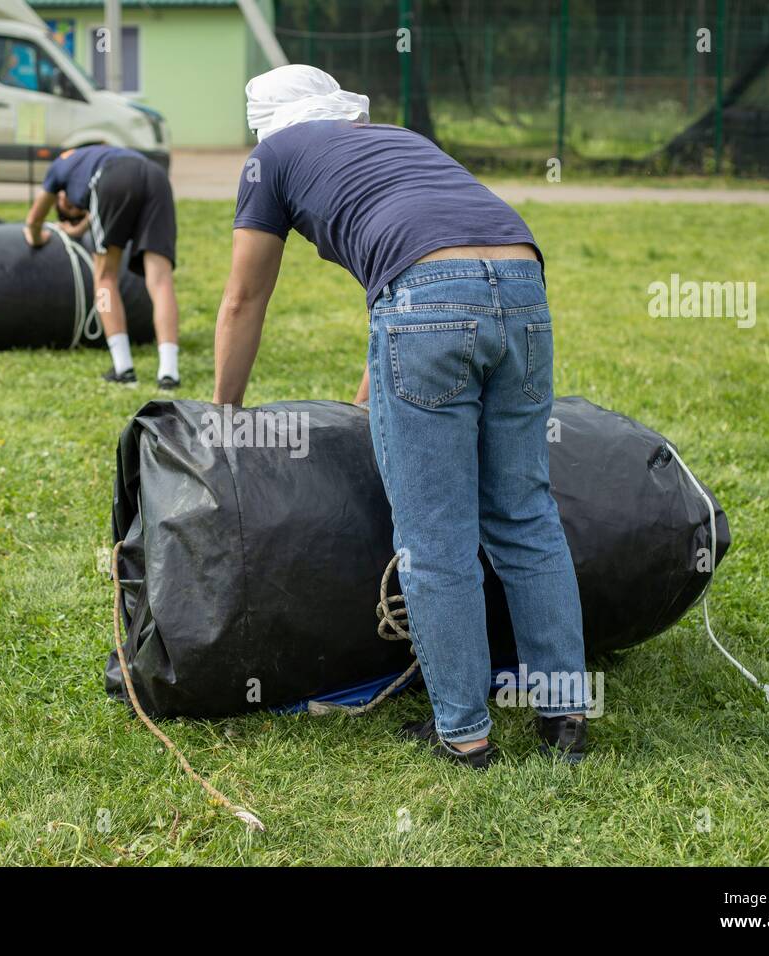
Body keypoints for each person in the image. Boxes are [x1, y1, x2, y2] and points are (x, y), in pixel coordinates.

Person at [211, 65, 590, 766]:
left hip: (427, 300)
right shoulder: (394, 142)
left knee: (435, 530)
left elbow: (243, 299)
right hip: (522, 279)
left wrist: (222, 418)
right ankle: (565, 715)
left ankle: (465, 734)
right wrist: (376, 391)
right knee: (524, 514)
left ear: (267, 126)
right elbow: (416, 269)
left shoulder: (273, 159)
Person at [23, 145, 180, 389]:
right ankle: (169, 373)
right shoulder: (86, 159)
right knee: (160, 280)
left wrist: (35, 237)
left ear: (61, 197)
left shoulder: (56, 171)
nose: (74, 211)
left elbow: (34, 219)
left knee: (105, 277)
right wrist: (80, 227)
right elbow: (100, 208)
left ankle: (123, 368)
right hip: (156, 176)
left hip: (112, 177)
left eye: (72, 212)